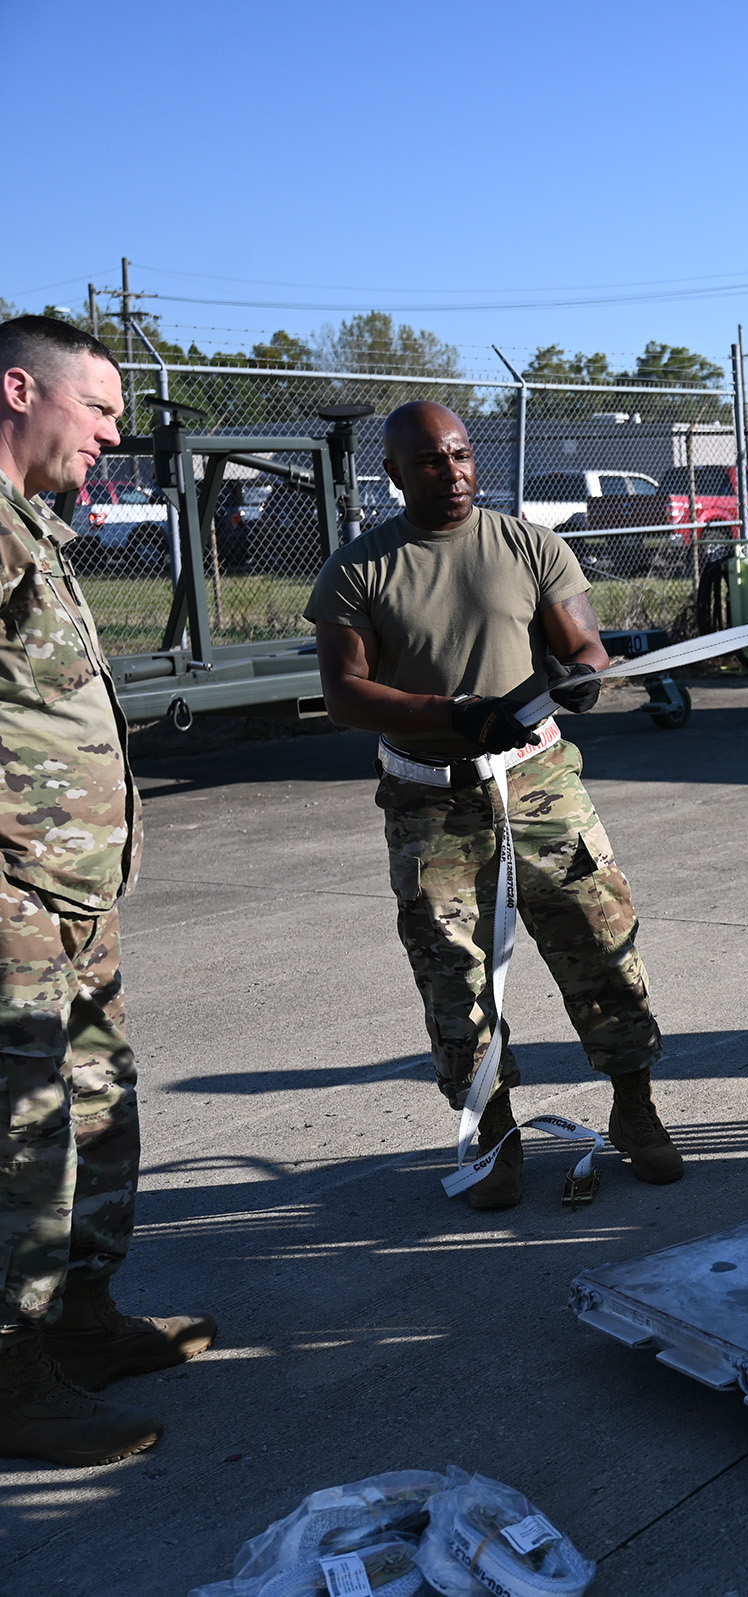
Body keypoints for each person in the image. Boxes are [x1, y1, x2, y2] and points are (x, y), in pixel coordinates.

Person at [306, 401, 684, 1211]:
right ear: (395, 473)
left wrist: (583, 676)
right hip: (429, 800)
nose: (454, 473)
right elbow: (343, 692)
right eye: (432, 461)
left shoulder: (527, 544)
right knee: (455, 978)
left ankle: (635, 1108)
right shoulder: (358, 569)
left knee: (602, 938)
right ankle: (497, 1132)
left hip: (538, 781)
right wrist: (448, 714)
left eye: (463, 454)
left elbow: (585, 646)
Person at [0, 315, 216, 1469]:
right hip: (12, 898)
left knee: (95, 1113)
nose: (113, 435)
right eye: (101, 410)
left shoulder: (37, 534)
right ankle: (8, 1370)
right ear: (21, 389)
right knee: (18, 1134)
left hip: (72, 896)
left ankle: (79, 1322)